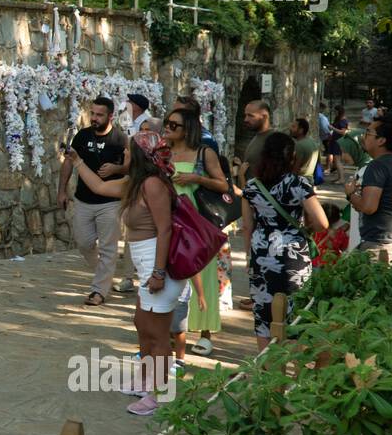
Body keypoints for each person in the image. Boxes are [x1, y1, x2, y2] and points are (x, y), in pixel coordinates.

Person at [68, 131, 184, 416]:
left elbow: (165, 228)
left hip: (159, 267)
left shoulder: (154, 185)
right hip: (146, 266)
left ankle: (159, 394)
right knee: (141, 325)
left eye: (130, 151)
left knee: (157, 335)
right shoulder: (137, 184)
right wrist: (77, 160)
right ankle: (146, 381)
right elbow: (98, 186)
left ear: (142, 155)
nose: (124, 156)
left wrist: (158, 272)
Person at [241, 133, 328, 351]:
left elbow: (247, 227)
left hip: (261, 254)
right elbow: (322, 223)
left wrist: (249, 257)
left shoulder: (252, 187)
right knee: (297, 314)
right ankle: (294, 371)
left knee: (264, 315)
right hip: (293, 254)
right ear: (292, 157)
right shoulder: (299, 184)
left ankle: (268, 374)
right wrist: (303, 229)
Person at [164, 107, 230, 357]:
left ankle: (204, 332)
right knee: (171, 271)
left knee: (202, 270)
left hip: (197, 220)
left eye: (174, 125)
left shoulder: (204, 152)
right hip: (169, 217)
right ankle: (174, 329)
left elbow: (223, 184)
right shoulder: (163, 152)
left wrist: (196, 178)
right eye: (167, 123)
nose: (168, 128)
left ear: (188, 128)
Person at [57, 97, 128, 306]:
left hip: (110, 202)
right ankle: (104, 275)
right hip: (83, 200)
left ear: (110, 116)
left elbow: (130, 166)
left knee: (108, 248)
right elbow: (69, 163)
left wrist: (116, 169)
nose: (94, 118)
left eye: (99, 115)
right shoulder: (82, 135)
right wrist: (61, 191)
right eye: (93, 114)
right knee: (84, 242)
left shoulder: (119, 139)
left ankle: (99, 291)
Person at [345, 119, 392, 261]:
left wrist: (350, 193)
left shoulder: (377, 165)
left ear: (381, 140)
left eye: (368, 132)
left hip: (382, 245)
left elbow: (368, 207)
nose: (364, 136)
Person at [237, 100, 275, 187]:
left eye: (250, 116)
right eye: (245, 115)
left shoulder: (273, 140)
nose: (246, 119)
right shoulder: (256, 137)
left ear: (264, 117)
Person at [312, 201, 350, 268]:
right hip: (332, 264)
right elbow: (344, 247)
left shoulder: (313, 230)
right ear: (337, 219)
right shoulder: (340, 233)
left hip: (315, 262)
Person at [325, 105, 349, 183]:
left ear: (339, 111)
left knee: (338, 161)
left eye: (335, 111)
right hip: (334, 141)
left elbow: (343, 132)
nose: (334, 113)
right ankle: (339, 178)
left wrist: (332, 128)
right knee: (336, 161)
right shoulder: (338, 119)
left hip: (338, 142)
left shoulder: (343, 121)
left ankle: (342, 179)